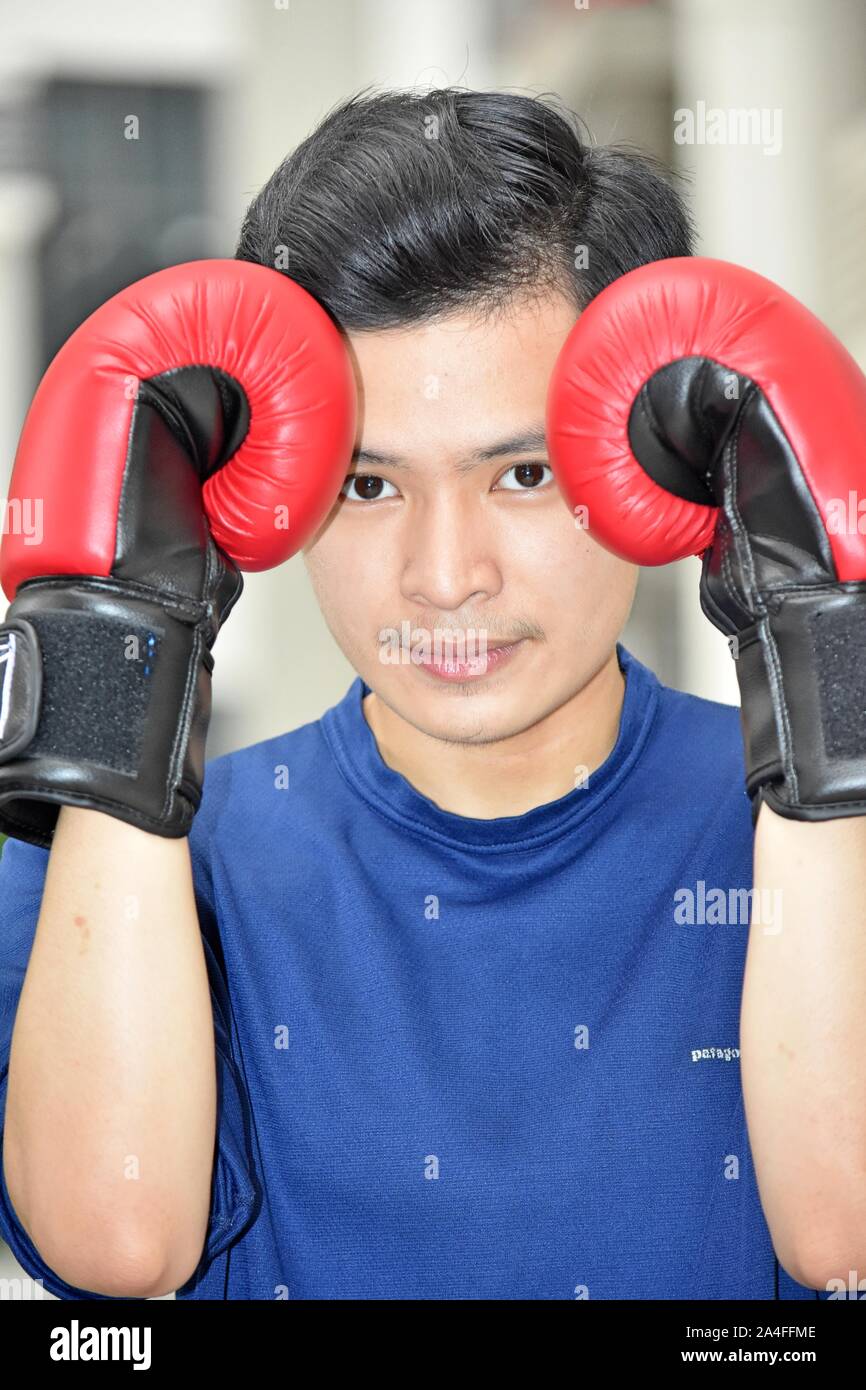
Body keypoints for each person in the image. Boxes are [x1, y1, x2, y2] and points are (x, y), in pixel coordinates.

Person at [0, 87, 850, 1300]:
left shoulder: (813, 842)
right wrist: (112, 646)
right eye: (365, 485)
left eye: (521, 472)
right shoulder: (132, 865)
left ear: (661, 458)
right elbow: (115, 1251)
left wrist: (827, 665)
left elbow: (848, 1244)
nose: (444, 578)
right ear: (264, 492)